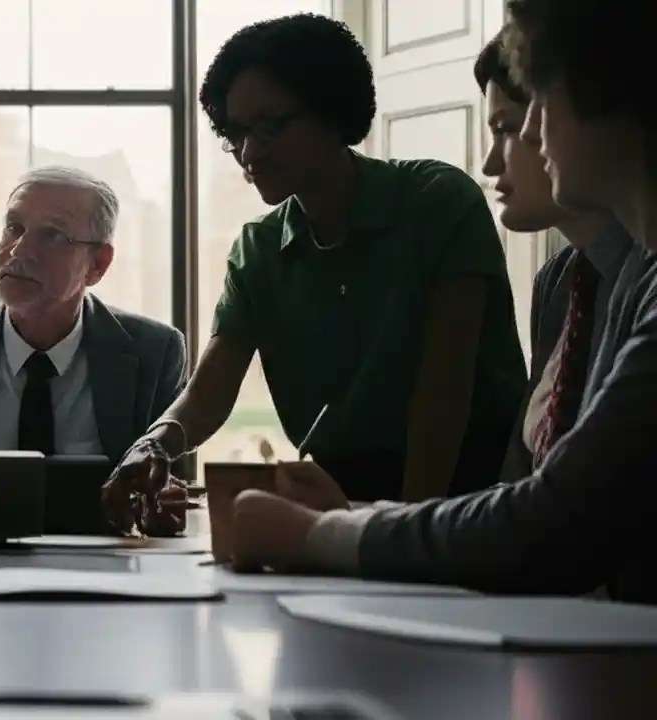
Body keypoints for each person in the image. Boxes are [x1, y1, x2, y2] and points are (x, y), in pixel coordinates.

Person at [226, 0, 657, 604]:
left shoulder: (440, 205)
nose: (526, 135)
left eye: (537, 105)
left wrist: (324, 534)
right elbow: (532, 492)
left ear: (619, 98)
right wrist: (355, 517)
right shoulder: (577, 281)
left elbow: (560, 518)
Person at [103, 13, 527, 533]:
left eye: (272, 126)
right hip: (340, 507)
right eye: (236, 133)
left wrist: (408, 533)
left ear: (332, 111)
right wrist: (154, 444)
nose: (249, 152)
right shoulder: (257, 250)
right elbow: (210, 388)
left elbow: (444, 392)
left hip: (474, 503)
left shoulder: (437, 202)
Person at [0, 167, 189, 532]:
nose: (18, 251)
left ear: (97, 265)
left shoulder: (155, 352)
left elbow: (171, 489)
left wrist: (162, 503)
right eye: (13, 227)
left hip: (109, 561)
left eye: (52, 235)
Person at [474, 32, 632, 481]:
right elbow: (518, 484)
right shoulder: (559, 282)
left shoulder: (644, 278)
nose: (489, 164)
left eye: (506, 128)